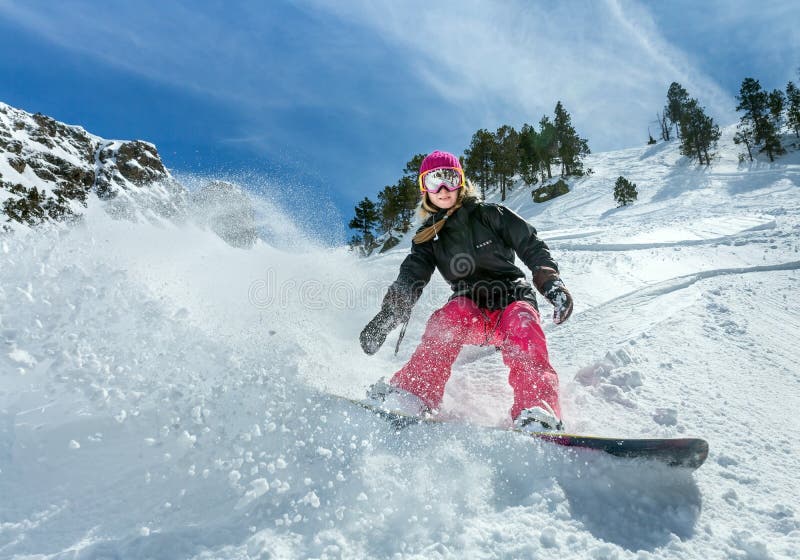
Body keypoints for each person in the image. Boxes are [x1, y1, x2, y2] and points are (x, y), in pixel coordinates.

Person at [359, 150, 573, 432]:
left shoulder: (489, 214)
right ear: (425, 189)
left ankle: (537, 410)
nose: (444, 189)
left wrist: (550, 282)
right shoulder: (429, 237)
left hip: (511, 299)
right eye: (435, 181)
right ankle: (413, 394)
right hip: (470, 307)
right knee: (446, 319)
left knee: (523, 323)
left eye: (450, 178)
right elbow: (412, 275)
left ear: (461, 182)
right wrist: (390, 314)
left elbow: (530, 244)